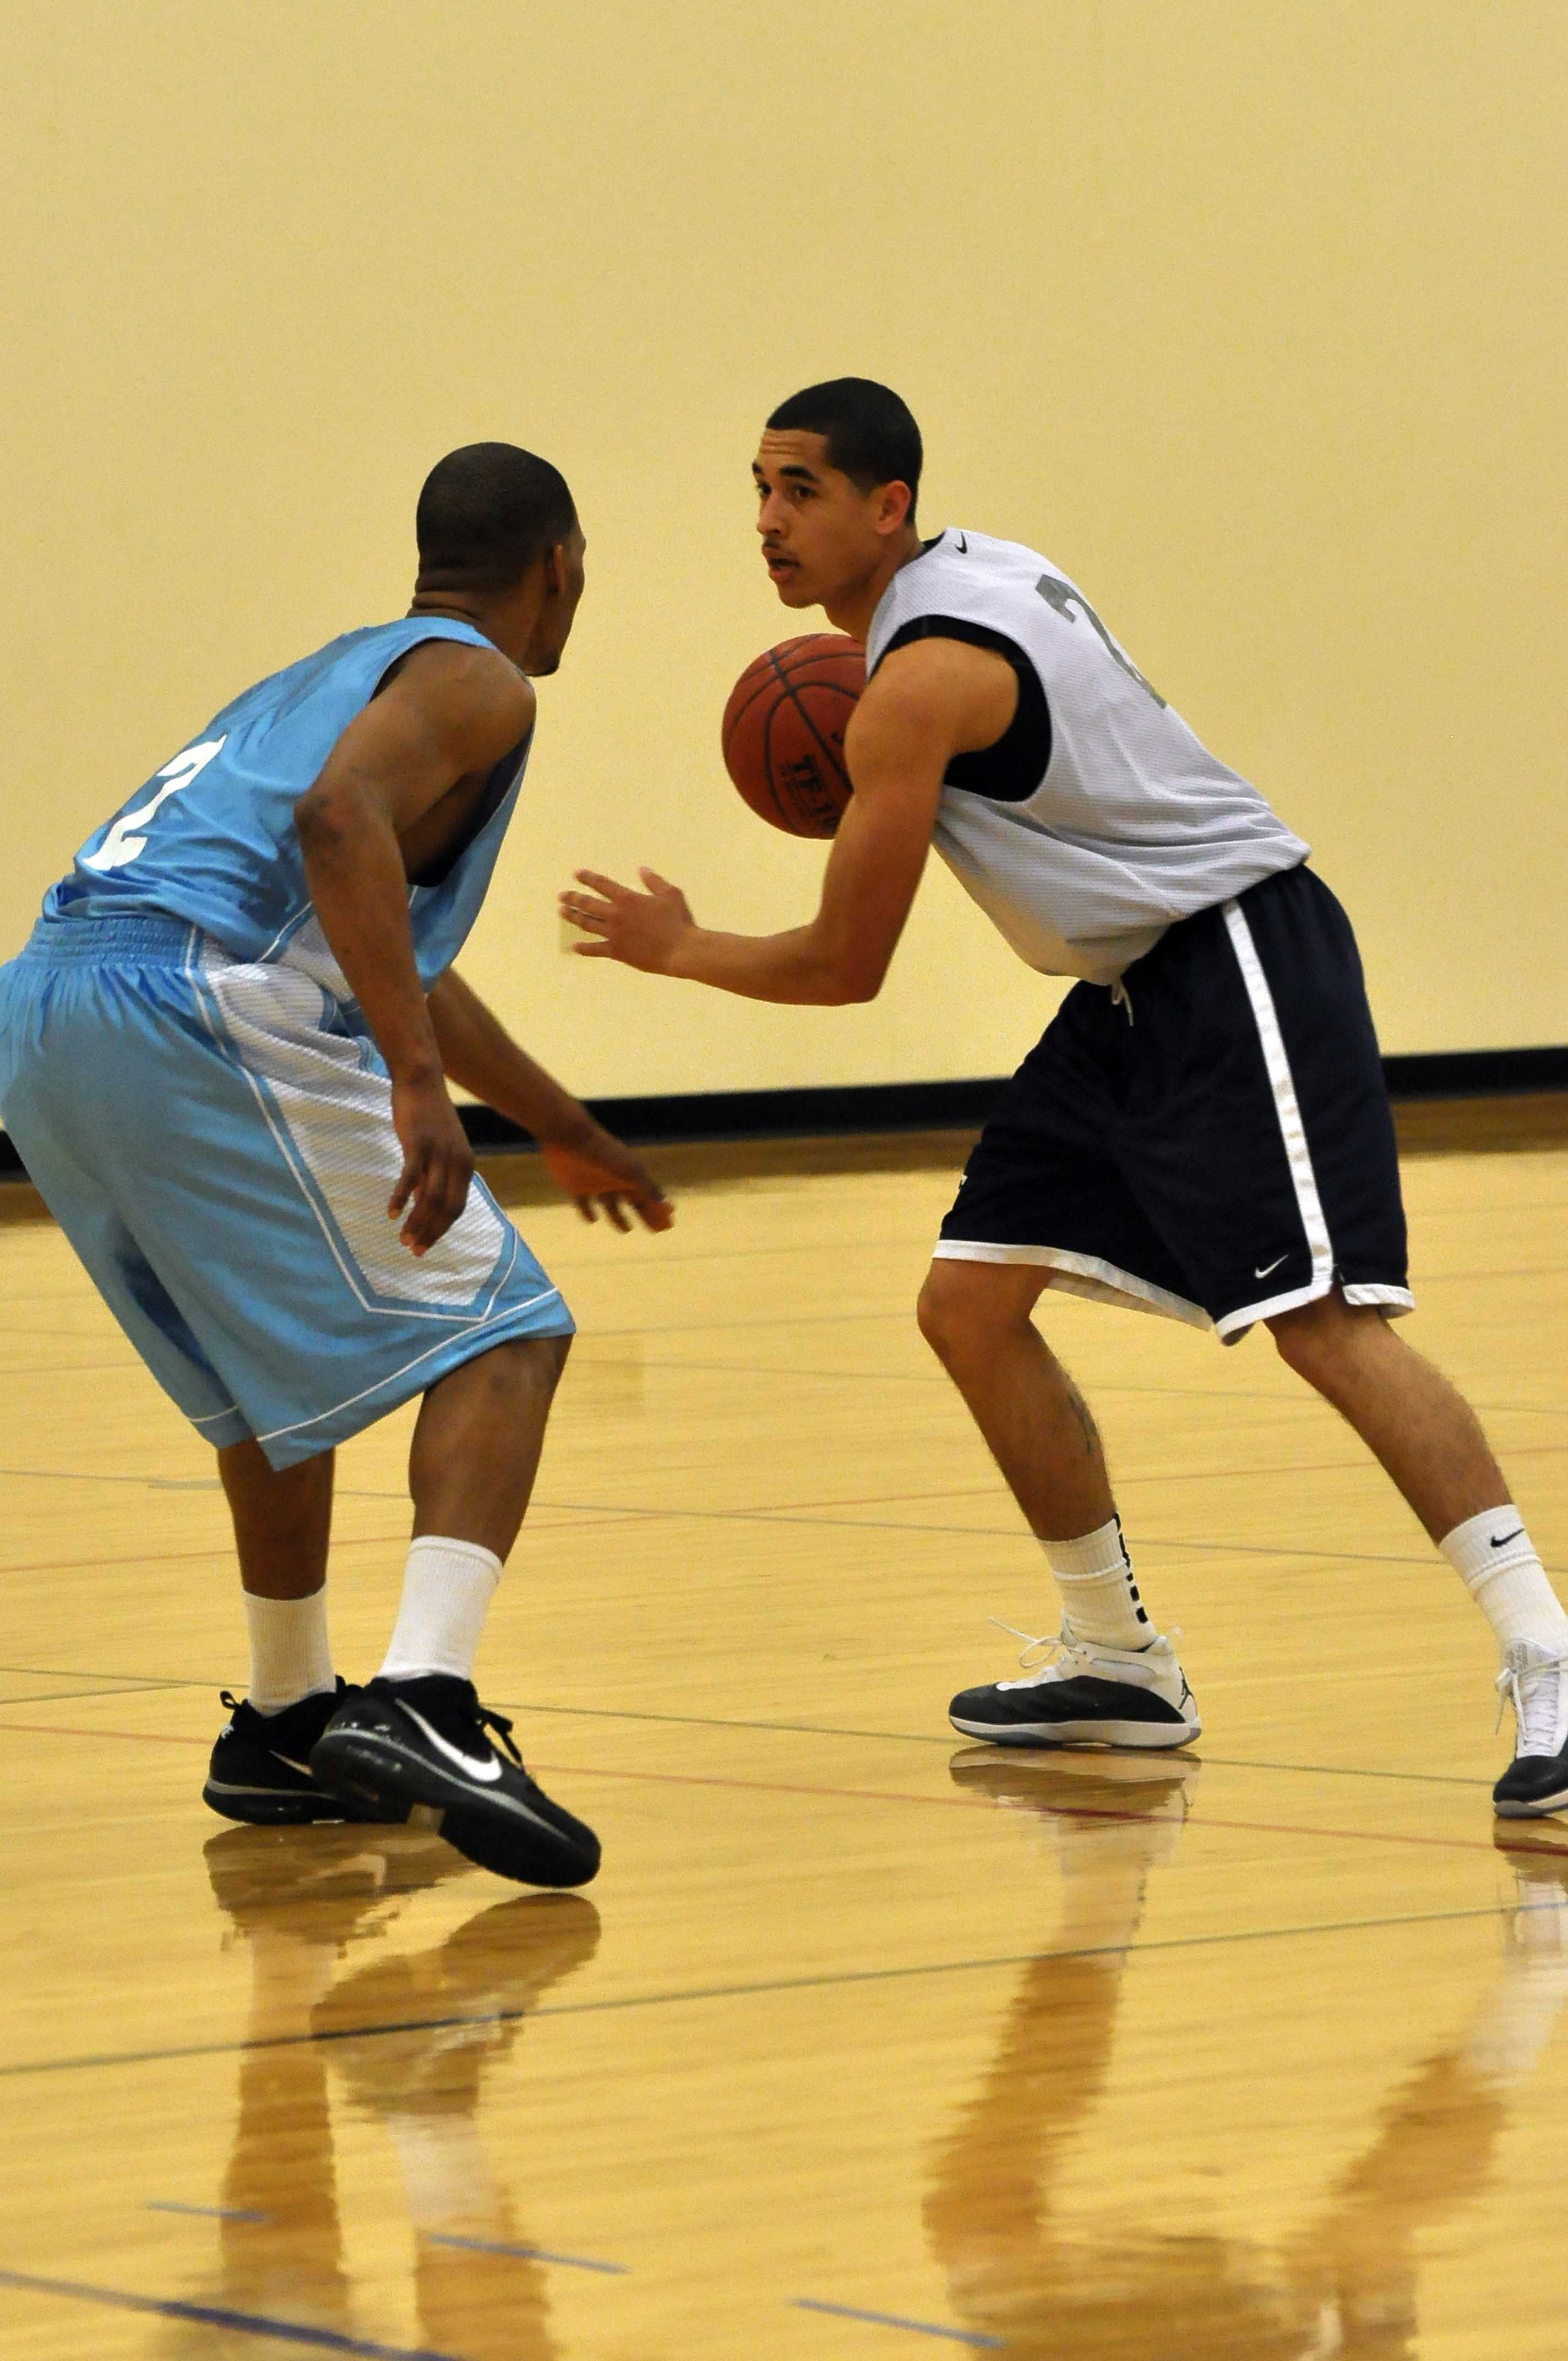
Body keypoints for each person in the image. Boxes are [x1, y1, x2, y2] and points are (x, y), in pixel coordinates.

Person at [559, 377, 1568, 1820]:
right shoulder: (978, 572)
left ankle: (1547, 1649)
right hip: (1127, 993)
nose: (769, 522)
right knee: (968, 1304)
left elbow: (846, 967)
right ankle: (1118, 1660)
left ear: (888, 508)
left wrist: (681, 949)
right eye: (760, 490)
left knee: (1326, 1323)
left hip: (1236, 954)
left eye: (801, 491)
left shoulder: (917, 686)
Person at [0, 442, 672, 1885]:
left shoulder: (333, 674)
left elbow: (383, 937)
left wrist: (553, 1117)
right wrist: (416, 1087)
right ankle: (426, 1696)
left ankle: (288, 1720)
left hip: (49, 1005)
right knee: (511, 1337)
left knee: (262, 1385)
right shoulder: (481, 682)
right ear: (559, 567)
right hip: (191, 1000)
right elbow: (335, 826)